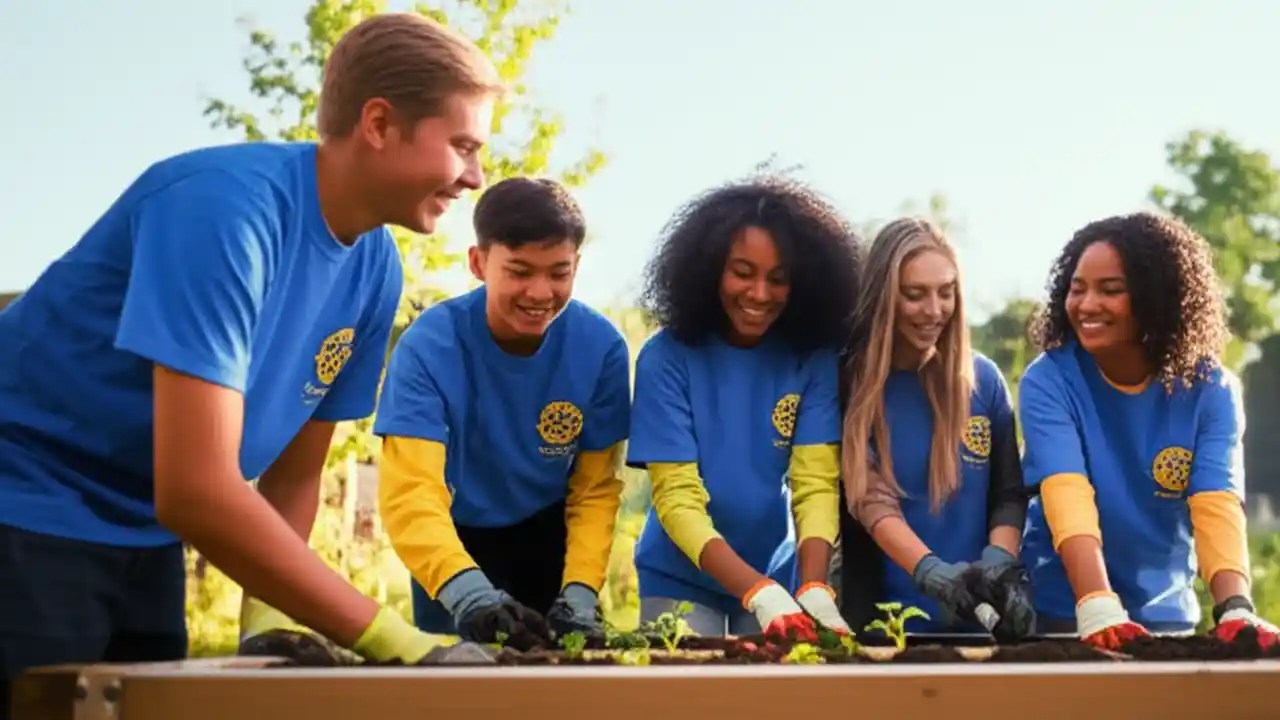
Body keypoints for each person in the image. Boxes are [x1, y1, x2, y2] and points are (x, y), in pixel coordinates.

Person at [0, 12, 504, 700]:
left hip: (145, 539)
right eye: (463, 146)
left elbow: (292, 474)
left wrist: (265, 623)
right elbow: (197, 489)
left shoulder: (375, 268)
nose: (476, 177)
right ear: (380, 124)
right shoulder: (224, 211)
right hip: (27, 510)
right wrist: (404, 645)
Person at [373, 177, 631, 649]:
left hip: (549, 535)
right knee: (458, 689)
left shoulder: (602, 351)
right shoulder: (428, 348)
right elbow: (412, 493)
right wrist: (465, 593)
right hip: (452, 536)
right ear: (478, 262)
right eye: (519, 270)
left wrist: (580, 591)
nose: (540, 292)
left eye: (559, 272)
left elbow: (594, 489)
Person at [1018, 211, 1280, 651]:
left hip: (1166, 618)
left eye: (1110, 290)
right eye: (1076, 289)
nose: (1086, 305)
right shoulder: (1050, 380)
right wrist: (1096, 603)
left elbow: (1216, 503)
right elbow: (1066, 494)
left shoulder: (1213, 391)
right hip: (1064, 616)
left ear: (1156, 297)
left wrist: (1234, 606)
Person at [625, 174, 862, 640]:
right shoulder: (667, 357)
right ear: (710, 268)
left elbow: (814, 483)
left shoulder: (810, 358)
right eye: (742, 272)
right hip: (679, 577)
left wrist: (813, 586)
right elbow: (676, 498)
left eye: (778, 279)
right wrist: (758, 592)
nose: (759, 294)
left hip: (778, 571)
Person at [837, 218, 1033, 640]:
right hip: (877, 628)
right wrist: (930, 572)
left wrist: (999, 563)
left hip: (977, 628)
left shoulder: (985, 382)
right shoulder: (846, 384)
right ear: (883, 297)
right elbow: (871, 500)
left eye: (946, 293)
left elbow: (1008, 493)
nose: (934, 311)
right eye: (914, 295)